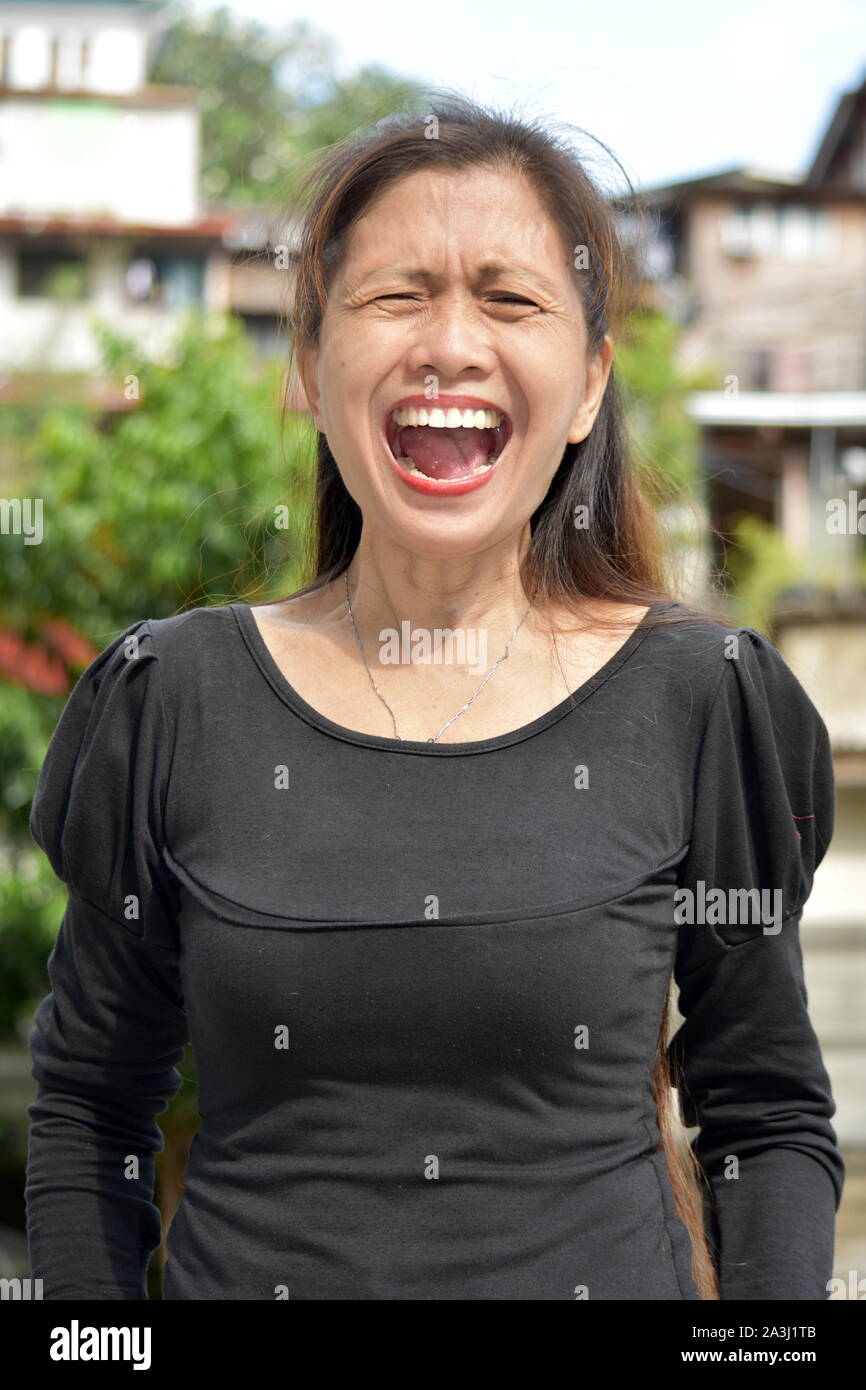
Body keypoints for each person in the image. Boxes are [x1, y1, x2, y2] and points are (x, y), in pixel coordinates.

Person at [25, 92, 844, 1301]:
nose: (450, 344)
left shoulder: (700, 699)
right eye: (395, 295)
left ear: (584, 385)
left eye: (509, 299)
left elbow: (763, 1112)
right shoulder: (173, 697)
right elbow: (92, 1111)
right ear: (308, 364)